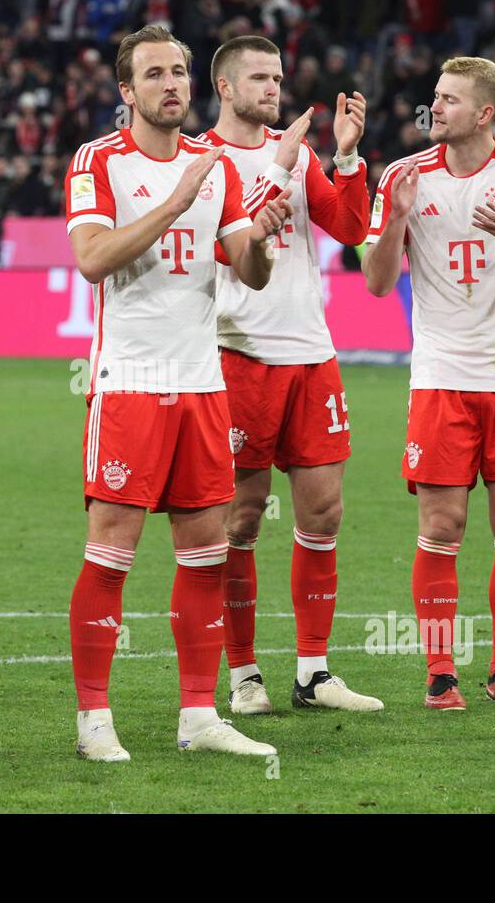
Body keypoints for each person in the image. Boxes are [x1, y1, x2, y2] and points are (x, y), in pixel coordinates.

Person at [64, 24, 292, 761]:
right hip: (130, 386)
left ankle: (198, 715)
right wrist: (174, 202)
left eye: (180, 72)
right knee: (110, 556)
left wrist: (257, 235)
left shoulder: (213, 163)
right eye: (154, 73)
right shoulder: (99, 161)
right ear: (126, 91)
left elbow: (244, 271)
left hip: (202, 385)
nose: (172, 84)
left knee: (207, 555)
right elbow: (93, 259)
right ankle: (94, 720)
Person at [364, 56, 495, 710]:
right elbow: (374, 282)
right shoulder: (403, 177)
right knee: (442, 523)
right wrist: (394, 218)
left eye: (449, 100)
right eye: (434, 96)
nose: (435, 109)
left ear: (484, 113)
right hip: (440, 379)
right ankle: (440, 673)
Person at [198, 35, 383, 715]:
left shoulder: (300, 152)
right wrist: (274, 172)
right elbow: (218, 258)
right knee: (240, 521)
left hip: (311, 354)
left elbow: (351, 227)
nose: (273, 87)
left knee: (323, 512)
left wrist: (347, 155)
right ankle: (244, 676)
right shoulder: (201, 161)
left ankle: (313, 671)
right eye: (258, 77)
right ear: (224, 86)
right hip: (239, 355)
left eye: (277, 76)